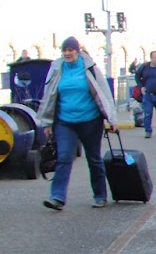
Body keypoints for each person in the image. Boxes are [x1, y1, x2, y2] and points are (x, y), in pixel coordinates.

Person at [39, 36, 118, 211]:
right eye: (65, 50)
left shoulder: (90, 68)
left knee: (94, 159)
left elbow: (104, 93)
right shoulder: (57, 69)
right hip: (65, 121)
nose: (67, 53)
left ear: (77, 51)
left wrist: (112, 119)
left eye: (70, 50)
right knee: (64, 157)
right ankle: (57, 197)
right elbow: (49, 95)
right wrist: (46, 123)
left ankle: (100, 196)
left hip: (90, 121)